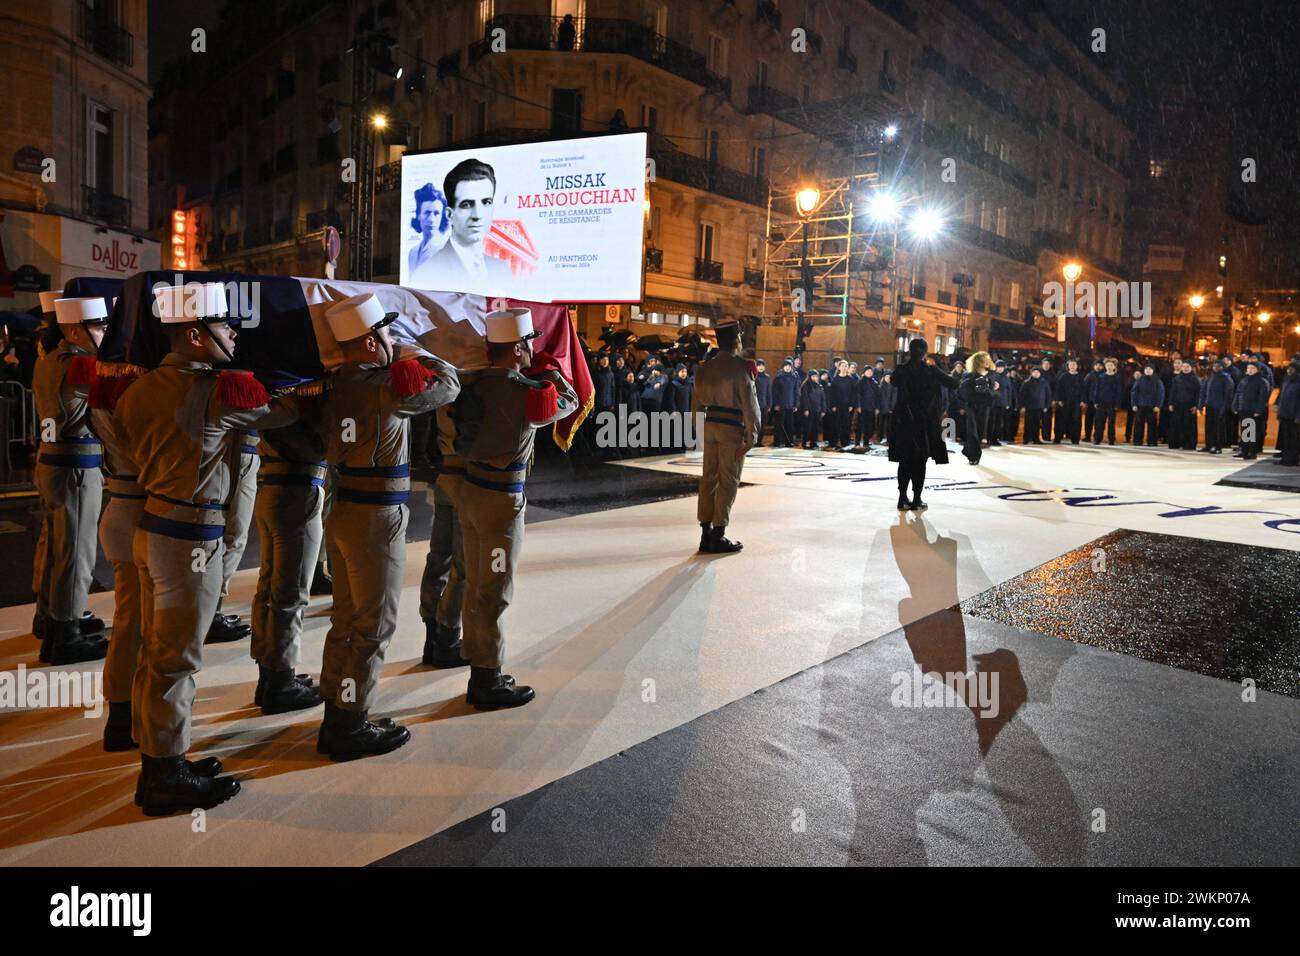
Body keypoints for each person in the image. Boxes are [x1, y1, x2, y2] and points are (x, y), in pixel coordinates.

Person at [118, 282, 301, 814]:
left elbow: (128, 445)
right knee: (176, 658)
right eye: (224, 327)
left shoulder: (137, 390)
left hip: (153, 527)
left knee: (156, 653)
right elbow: (282, 415)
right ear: (196, 335)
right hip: (190, 540)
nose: (234, 335)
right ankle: (165, 778)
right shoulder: (215, 392)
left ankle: (161, 757)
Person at [318, 292, 460, 758]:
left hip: (341, 511)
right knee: (374, 623)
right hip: (375, 518)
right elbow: (449, 384)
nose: (389, 339)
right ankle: (349, 725)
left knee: (345, 619)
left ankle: (337, 712)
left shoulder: (334, 383)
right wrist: (412, 352)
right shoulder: (386, 385)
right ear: (368, 341)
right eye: (384, 332)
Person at [454, 307, 577, 708]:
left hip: (469, 492)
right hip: (501, 503)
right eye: (529, 343)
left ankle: (475, 657)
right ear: (520, 348)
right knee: (495, 590)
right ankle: (487, 680)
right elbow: (569, 401)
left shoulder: (469, 383)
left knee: (475, 583)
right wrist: (552, 371)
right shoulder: (528, 392)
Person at [30, 295, 111, 664]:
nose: (105, 332)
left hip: (51, 460)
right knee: (75, 552)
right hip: (75, 465)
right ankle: (66, 632)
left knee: (54, 547)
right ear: (76, 330)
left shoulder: (48, 361)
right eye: (98, 326)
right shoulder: (82, 364)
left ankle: (48, 616)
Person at [249, 404, 328, 715]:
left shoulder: (274, 395)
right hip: (299, 489)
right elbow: (322, 447)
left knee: (269, 588)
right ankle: (281, 680)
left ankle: (268, 674)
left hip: (271, 486)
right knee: (291, 593)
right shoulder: (299, 399)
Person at [691, 319, 760, 553]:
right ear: (736, 341)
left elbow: (696, 404)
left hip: (710, 426)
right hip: (731, 428)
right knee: (728, 480)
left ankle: (705, 532)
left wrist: (699, 431)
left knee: (708, 478)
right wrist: (752, 436)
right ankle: (719, 534)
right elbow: (750, 406)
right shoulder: (740, 369)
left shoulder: (705, 368)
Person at [418, 159, 512, 293]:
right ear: (450, 215)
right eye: (466, 204)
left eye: (486, 202)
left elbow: (504, 311)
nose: (478, 215)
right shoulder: (429, 272)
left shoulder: (501, 270)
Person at [889, 340, 957, 510]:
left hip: (904, 421)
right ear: (925, 353)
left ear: (910, 351)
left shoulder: (902, 370)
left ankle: (902, 497)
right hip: (924, 422)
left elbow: (893, 380)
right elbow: (953, 384)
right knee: (920, 461)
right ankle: (917, 498)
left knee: (904, 461)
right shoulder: (930, 371)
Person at [957, 351, 997, 464]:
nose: (988, 362)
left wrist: (990, 388)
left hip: (984, 407)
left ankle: (967, 450)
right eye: (986, 360)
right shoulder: (969, 375)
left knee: (979, 433)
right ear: (979, 362)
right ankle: (974, 456)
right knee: (972, 432)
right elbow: (962, 391)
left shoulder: (991, 375)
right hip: (971, 406)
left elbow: (993, 393)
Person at [407, 182, 448, 276]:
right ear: (418, 215)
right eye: (427, 213)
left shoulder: (444, 249)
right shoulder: (412, 253)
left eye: (436, 213)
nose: (431, 219)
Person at [1232, 361, 1270, 460]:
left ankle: (1252, 452)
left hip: (1253, 410)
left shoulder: (1262, 381)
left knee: (1252, 431)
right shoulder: (1244, 381)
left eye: (1253, 368)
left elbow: (1263, 398)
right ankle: (1244, 450)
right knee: (1245, 431)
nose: (1250, 370)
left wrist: (1258, 410)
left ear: (1257, 370)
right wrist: (1235, 406)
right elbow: (1238, 394)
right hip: (1243, 409)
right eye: (1248, 368)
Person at [1199, 360, 1235, 454]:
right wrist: (1201, 404)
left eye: (1218, 366)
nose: (1216, 368)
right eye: (1214, 366)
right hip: (1210, 405)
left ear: (1223, 367)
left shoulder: (1226, 378)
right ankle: (1209, 445)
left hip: (1220, 406)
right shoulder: (1211, 377)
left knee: (1219, 428)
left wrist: (1225, 407)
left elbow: (1228, 394)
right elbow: (1204, 391)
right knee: (1209, 426)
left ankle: (1218, 446)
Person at [1167, 360, 1201, 451]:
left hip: (1189, 406)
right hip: (1178, 405)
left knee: (1188, 426)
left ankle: (1188, 444)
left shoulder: (1195, 379)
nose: (1185, 369)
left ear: (1191, 368)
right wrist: (1170, 403)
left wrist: (1196, 405)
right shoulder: (1177, 378)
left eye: (1187, 367)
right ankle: (1175, 443)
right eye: (1184, 367)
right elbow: (1173, 392)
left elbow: (1198, 394)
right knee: (1176, 424)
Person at [1130, 363, 1164, 447]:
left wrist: (1158, 405)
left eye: (1150, 369)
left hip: (1152, 406)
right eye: (1146, 369)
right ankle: (1137, 441)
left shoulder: (1157, 381)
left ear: (1153, 370)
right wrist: (1134, 404)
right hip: (1140, 405)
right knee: (1138, 424)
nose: (1148, 370)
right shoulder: (1140, 380)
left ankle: (1151, 441)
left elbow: (1160, 393)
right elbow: (1134, 393)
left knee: (1152, 424)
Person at [1053, 359, 1086, 444]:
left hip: (1076, 402)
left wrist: (1082, 400)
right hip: (1064, 401)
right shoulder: (1063, 376)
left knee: (1075, 420)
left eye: (1074, 365)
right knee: (1061, 420)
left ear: (1077, 366)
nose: (1072, 366)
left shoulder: (1080, 377)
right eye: (1070, 365)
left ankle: (1075, 439)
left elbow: (1084, 390)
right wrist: (1058, 400)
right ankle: (1058, 438)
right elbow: (1058, 389)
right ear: (1068, 366)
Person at [1091, 358, 1122, 444]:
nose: (1109, 367)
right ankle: (1097, 439)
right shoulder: (1101, 376)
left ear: (1114, 367)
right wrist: (1095, 401)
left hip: (1112, 403)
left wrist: (1117, 404)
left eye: (1111, 365)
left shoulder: (1117, 377)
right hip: (1101, 402)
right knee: (1099, 421)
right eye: (1107, 365)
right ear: (1105, 366)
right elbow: (1097, 390)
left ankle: (1111, 439)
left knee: (1111, 422)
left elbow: (1119, 392)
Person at [1276, 360, 1300, 466]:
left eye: (1292, 369)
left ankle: (1292, 459)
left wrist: (1298, 416)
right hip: (1284, 414)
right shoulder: (1286, 381)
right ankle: (1285, 458)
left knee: (1293, 439)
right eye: (1288, 369)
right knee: (1285, 438)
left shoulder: (1298, 382)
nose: (1289, 371)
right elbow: (1282, 398)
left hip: (1293, 415)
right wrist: (1279, 412)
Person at [1019, 367, 1050, 444]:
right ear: (1031, 373)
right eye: (1034, 372)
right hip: (1029, 406)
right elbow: (1022, 395)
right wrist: (1023, 406)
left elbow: (1048, 394)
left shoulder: (1044, 382)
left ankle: (1036, 439)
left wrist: (1046, 406)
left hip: (1039, 406)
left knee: (1037, 424)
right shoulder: (1026, 383)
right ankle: (1026, 439)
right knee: (1028, 423)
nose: (1036, 374)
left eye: (1038, 372)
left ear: (1040, 373)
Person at [772, 358, 798, 447]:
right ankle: (778, 442)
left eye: (789, 366)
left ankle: (789, 442)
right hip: (780, 404)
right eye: (786, 366)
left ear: (792, 367)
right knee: (779, 424)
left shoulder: (794, 377)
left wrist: (795, 404)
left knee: (789, 424)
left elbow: (796, 392)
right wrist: (776, 404)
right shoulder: (778, 377)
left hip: (790, 405)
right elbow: (775, 392)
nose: (787, 367)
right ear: (783, 367)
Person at [855, 365, 880, 449]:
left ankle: (866, 442)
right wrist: (858, 406)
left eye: (871, 371)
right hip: (862, 407)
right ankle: (857, 442)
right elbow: (857, 395)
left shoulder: (875, 383)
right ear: (864, 372)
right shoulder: (860, 382)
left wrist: (877, 407)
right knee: (860, 426)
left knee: (870, 426)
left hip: (872, 407)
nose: (869, 372)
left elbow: (878, 396)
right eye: (867, 371)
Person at [799, 368, 825, 448]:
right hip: (809, 410)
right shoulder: (805, 386)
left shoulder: (819, 386)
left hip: (817, 409)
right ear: (810, 377)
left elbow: (822, 398)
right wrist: (806, 409)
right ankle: (805, 442)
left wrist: (823, 409)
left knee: (815, 427)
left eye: (816, 376)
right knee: (808, 427)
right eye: (813, 376)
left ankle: (813, 442)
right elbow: (805, 399)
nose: (815, 378)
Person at [753, 358, 771, 445]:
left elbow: (769, 392)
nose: (760, 367)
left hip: (764, 405)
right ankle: (753, 440)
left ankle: (759, 441)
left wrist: (769, 405)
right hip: (754, 404)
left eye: (762, 365)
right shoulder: (753, 376)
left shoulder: (767, 378)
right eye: (758, 365)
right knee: (754, 424)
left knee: (762, 424)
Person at [878, 370, 896, 443]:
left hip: (890, 409)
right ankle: (880, 437)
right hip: (882, 408)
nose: (888, 378)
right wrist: (878, 407)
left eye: (890, 377)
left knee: (889, 425)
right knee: (880, 424)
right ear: (884, 377)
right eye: (887, 376)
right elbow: (878, 398)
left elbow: (894, 398)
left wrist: (891, 408)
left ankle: (889, 439)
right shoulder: (880, 386)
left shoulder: (894, 386)